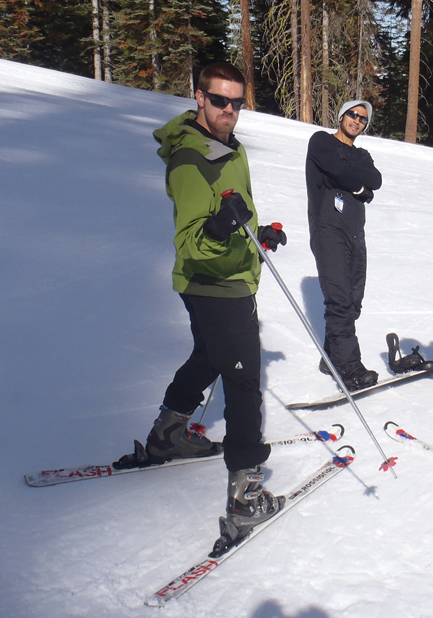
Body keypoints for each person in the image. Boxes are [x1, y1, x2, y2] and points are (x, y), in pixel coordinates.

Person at [120, 62, 288, 553]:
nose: (229, 110)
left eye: (237, 102)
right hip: (217, 285)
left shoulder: (226, 147)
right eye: (219, 100)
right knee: (242, 382)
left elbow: (229, 211)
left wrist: (258, 235)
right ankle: (245, 496)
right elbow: (193, 240)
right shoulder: (192, 159)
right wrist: (218, 231)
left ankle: (168, 432)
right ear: (199, 97)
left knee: (210, 356)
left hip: (225, 276)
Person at [305, 100, 383, 390]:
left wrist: (357, 180)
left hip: (354, 234)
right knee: (339, 299)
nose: (357, 121)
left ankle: (331, 356)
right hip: (328, 230)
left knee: (352, 299)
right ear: (341, 116)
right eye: (353, 114)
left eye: (363, 119)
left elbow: (376, 179)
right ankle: (349, 367)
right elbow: (340, 169)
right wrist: (359, 188)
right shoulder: (321, 141)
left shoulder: (362, 153)